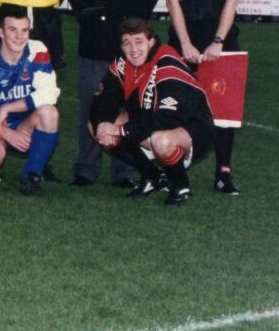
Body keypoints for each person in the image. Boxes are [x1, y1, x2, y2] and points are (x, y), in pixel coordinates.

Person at [65, 0, 162, 188]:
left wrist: (134, 30)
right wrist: (94, 22)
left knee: (129, 108)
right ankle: (86, 167)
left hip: (132, 45)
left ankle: (125, 170)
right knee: (91, 105)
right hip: (95, 39)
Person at [161, 0, 244, 196]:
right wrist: (185, 44)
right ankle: (174, 171)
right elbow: (173, 1)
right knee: (176, 106)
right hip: (183, 40)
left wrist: (218, 40)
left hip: (222, 42)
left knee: (224, 110)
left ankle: (223, 173)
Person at [90, 18, 212, 205]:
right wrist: (102, 126)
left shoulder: (166, 61)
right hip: (152, 119)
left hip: (193, 127)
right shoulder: (123, 61)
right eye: (127, 43)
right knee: (96, 126)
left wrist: (121, 130)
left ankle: (180, 185)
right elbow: (106, 97)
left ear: (151, 41)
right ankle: (152, 177)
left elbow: (168, 118)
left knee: (161, 140)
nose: (133, 49)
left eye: (139, 41)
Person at [0, 4, 61, 195]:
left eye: (24, 30)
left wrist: (8, 108)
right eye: (13, 30)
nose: (20, 36)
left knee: (49, 113)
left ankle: (32, 177)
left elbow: (49, 93)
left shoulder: (37, 50)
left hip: (24, 124)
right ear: (1, 33)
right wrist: (7, 133)